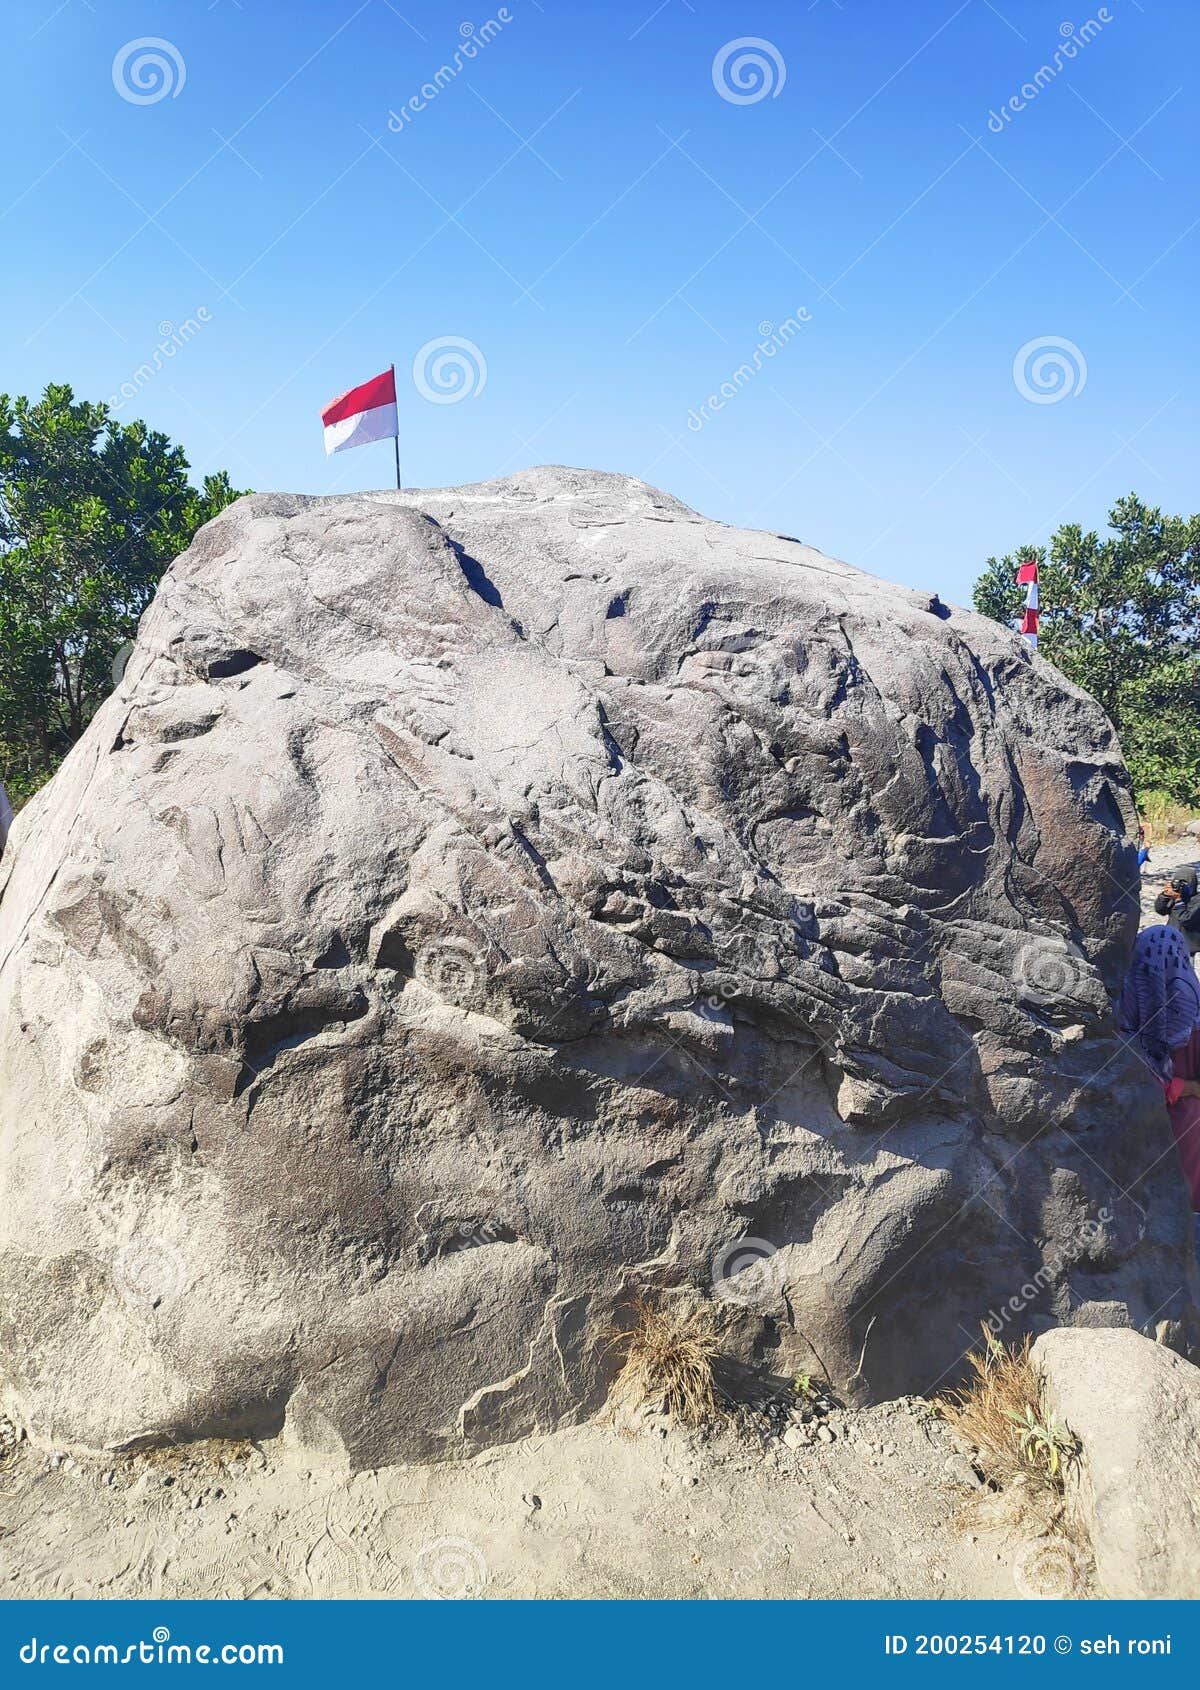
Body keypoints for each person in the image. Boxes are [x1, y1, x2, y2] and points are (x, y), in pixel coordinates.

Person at [1119, 924, 1200, 1238]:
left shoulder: (1124, 1012)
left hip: (1168, 1129)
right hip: (1177, 1126)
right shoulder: (1125, 1013)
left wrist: (1175, 1088)